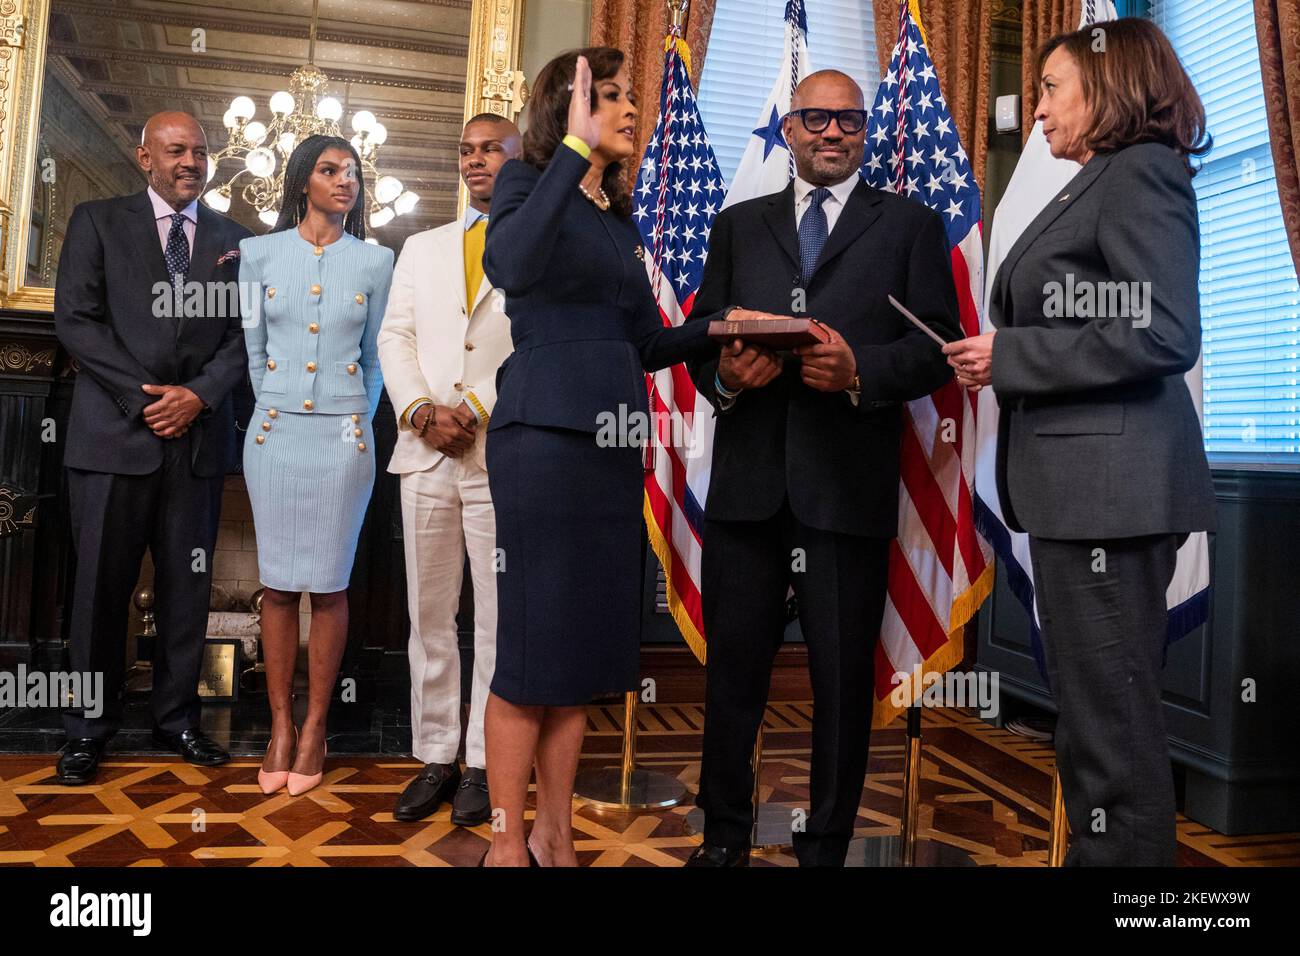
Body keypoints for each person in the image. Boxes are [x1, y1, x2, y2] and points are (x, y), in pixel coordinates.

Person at [942, 18, 1216, 866]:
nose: (1040, 112)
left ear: (1108, 86)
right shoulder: (1097, 180)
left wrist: (1014, 355)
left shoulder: (1142, 174)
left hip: (1112, 492)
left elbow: (1164, 330)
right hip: (1081, 490)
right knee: (1094, 732)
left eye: (1053, 89)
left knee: (1112, 737)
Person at [683, 70, 960, 867]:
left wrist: (861, 373)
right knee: (735, 677)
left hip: (846, 490)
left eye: (848, 120)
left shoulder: (909, 225)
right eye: (816, 119)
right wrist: (728, 378)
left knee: (842, 686)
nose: (833, 132)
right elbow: (704, 336)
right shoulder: (737, 225)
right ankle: (726, 836)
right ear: (791, 129)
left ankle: (827, 845)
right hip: (748, 490)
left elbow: (935, 347)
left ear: (863, 130)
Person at [479, 48, 717, 866]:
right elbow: (508, 263)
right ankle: (507, 837)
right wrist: (571, 153)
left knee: (578, 656)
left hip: (613, 451)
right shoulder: (522, 184)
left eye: (626, 97)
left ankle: (556, 829)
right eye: (609, 96)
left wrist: (721, 326)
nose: (627, 110)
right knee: (530, 653)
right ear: (567, 108)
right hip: (541, 443)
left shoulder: (619, 222)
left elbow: (646, 341)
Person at [52, 111, 251, 784]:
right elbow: (76, 321)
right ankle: (87, 730)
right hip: (112, 440)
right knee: (99, 593)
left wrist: (197, 396)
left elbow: (244, 339)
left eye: (199, 150)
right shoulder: (97, 221)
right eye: (176, 150)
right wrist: (147, 399)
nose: (190, 160)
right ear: (145, 158)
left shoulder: (234, 241)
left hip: (195, 444)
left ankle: (178, 721)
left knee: (186, 591)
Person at [238, 135, 393, 796]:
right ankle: (278, 724)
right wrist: (280, 405)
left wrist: (349, 412)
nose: (345, 181)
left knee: (328, 586)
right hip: (274, 435)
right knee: (277, 586)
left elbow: (380, 359)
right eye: (330, 171)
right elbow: (251, 349)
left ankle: (315, 728)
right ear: (302, 181)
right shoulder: (257, 255)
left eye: (353, 172)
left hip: (343, 439)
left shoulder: (378, 261)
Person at [378, 114, 521, 825]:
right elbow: (395, 336)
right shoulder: (422, 246)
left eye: (491, 148)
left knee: (496, 618)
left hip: (498, 453)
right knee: (429, 615)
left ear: (521, 156)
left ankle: (487, 762)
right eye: (465, 149)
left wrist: (471, 407)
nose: (475, 160)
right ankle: (436, 754)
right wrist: (420, 413)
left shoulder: (538, 244)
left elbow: (534, 342)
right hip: (424, 450)